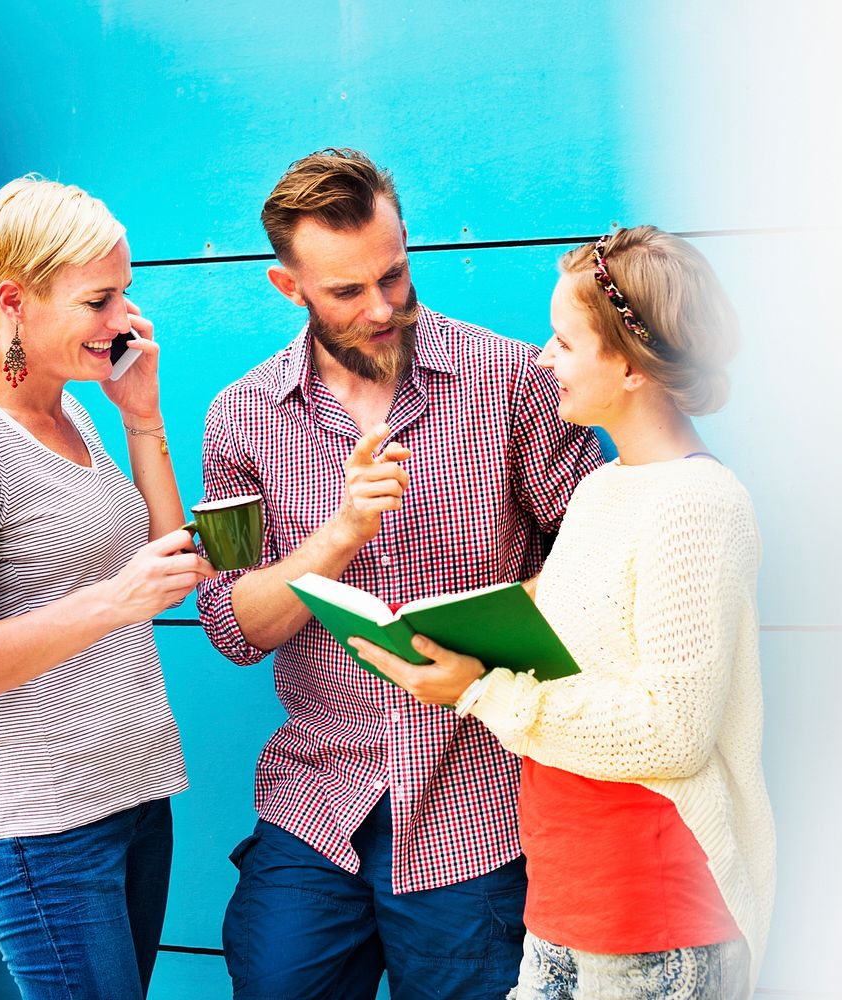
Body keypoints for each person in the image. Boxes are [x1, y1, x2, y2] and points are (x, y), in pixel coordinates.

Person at [195, 148, 603, 999]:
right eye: (347, 291)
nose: (382, 307)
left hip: (479, 804)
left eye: (394, 273)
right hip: (318, 803)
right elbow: (234, 625)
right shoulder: (239, 418)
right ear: (289, 288)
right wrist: (339, 534)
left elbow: (603, 558)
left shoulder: (511, 380)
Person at [351, 226, 776, 999]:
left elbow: (673, 731)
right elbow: (566, 619)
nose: (542, 357)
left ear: (631, 363)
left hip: (654, 923)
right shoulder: (601, 488)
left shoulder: (699, 504)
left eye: (565, 341)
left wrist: (478, 692)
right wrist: (431, 624)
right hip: (565, 904)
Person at [0, 176, 215, 1000]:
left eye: (126, 295)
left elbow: (166, 566)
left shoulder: (76, 417)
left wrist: (141, 414)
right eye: (98, 299)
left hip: (136, 799)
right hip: (45, 831)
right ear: (15, 301)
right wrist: (113, 601)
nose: (123, 321)